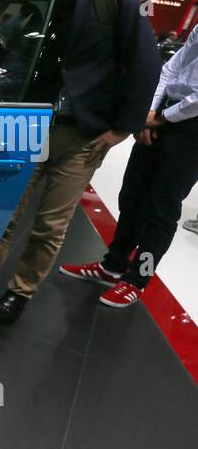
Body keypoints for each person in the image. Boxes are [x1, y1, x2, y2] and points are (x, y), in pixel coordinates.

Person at [0, 0, 160, 324]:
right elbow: (14, 77)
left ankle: (20, 292)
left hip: (82, 136)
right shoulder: (34, 16)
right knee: (5, 213)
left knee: (50, 225)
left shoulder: (114, 0)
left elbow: (146, 66)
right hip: (30, 129)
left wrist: (121, 129)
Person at [59, 25, 198, 307]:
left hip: (191, 127)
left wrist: (161, 118)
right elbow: (171, 68)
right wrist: (150, 111)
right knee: (132, 195)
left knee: (162, 209)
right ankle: (113, 265)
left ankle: (137, 280)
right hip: (163, 110)